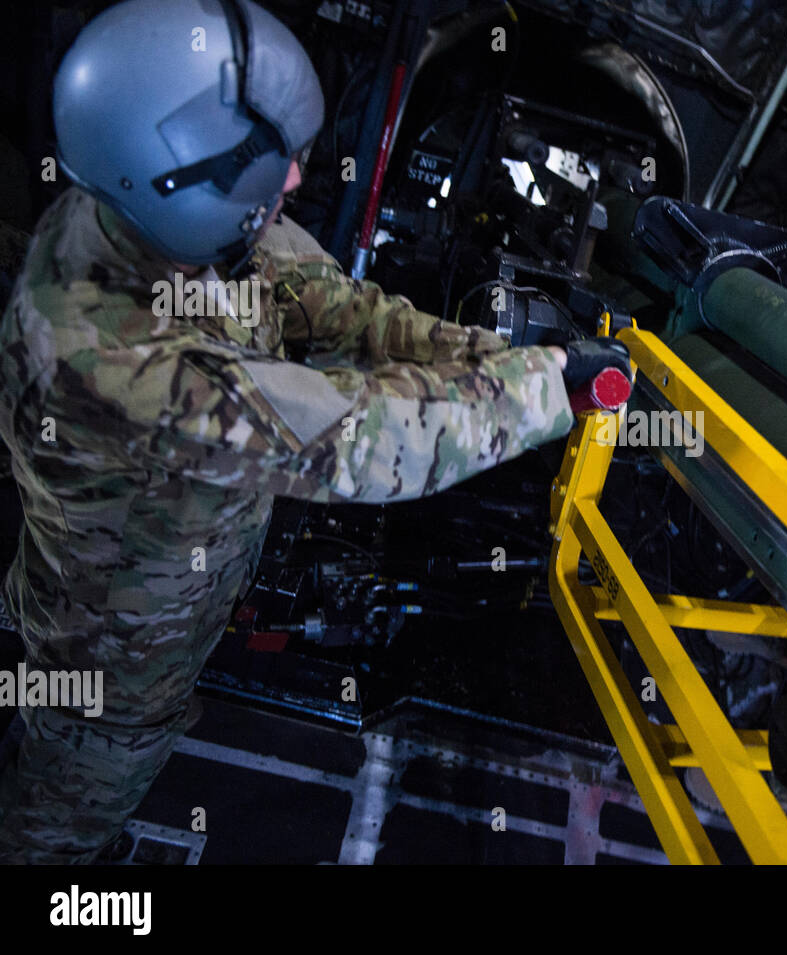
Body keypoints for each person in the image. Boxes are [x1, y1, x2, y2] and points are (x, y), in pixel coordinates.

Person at [0, 0, 629, 863]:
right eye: (270, 172)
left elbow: (332, 303)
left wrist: (490, 350)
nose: (294, 183)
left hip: (164, 577)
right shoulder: (107, 358)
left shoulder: (160, 213)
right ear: (183, 179)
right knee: (75, 790)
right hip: (116, 649)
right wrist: (554, 389)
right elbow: (366, 442)